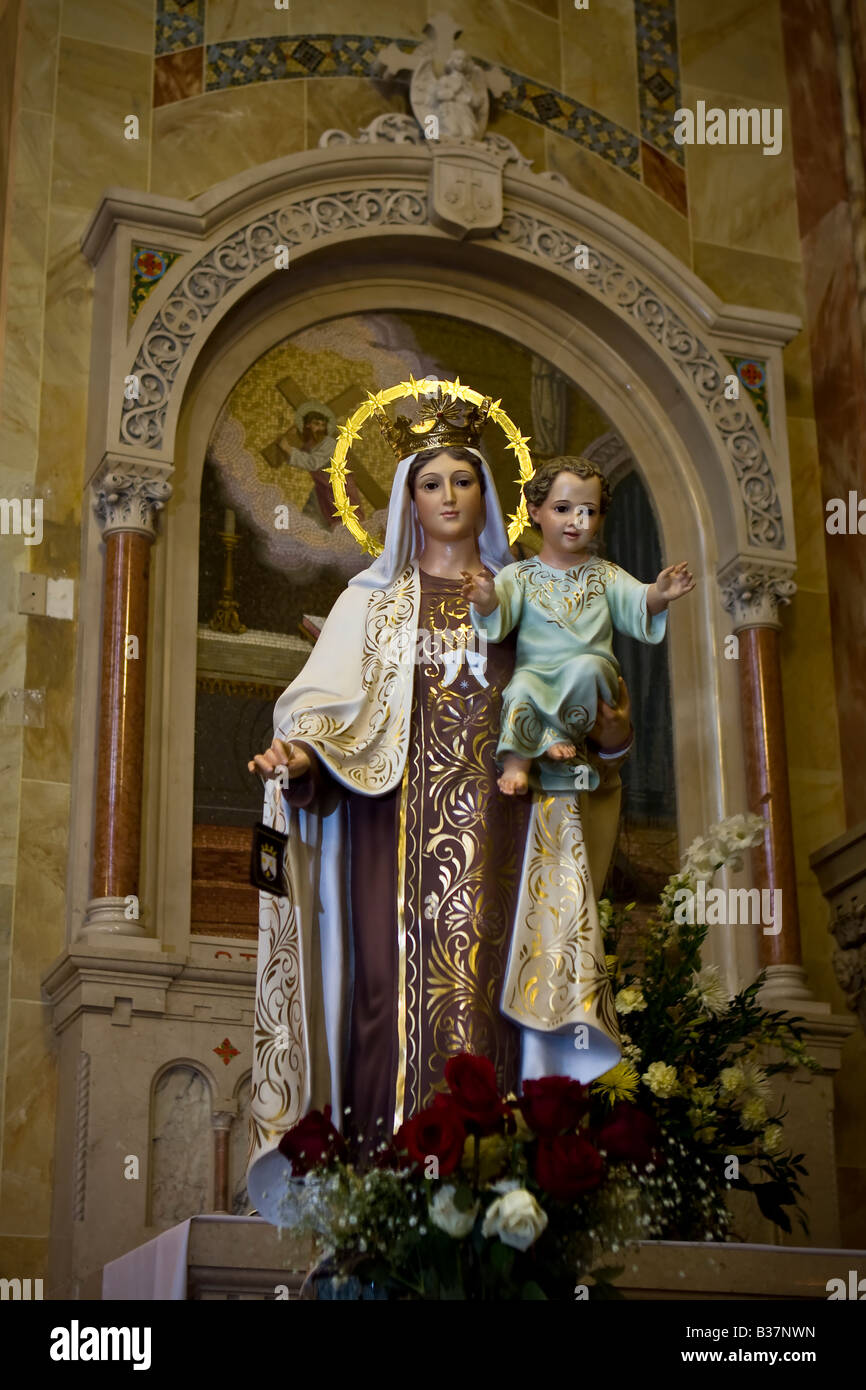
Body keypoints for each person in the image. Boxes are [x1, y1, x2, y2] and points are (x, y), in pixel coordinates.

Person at [245, 401, 633, 1215]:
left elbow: (589, 719)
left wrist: (605, 722)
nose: (449, 496)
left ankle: (498, 1186)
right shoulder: (371, 604)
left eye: (464, 480)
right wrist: (299, 756)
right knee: (383, 992)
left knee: (497, 994)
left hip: (506, 831)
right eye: (431, 483)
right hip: (389, 832)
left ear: (489, 497)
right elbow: (325, 712)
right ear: (407, 501)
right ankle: (381, 1187)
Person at [462, 457, 695, 795]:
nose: (575, 521)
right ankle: (517, 762)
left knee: (588, 670)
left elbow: (637, 601)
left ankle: (556, 734)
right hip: (537, 671)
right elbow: (500, 613)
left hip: (589, 670)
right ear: (535, 511)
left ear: (600, 518)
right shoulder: (519, 575)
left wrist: (660, 592)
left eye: (587, 511)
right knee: (521, 688)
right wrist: (485, 599)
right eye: (561, 509)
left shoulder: (606, 574)